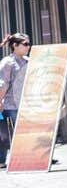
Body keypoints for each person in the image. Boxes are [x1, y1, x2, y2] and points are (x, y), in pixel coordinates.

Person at [0, 33, 30, 168]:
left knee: (25, 132)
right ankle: (2, 160)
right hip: (9, 104)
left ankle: (34, 158)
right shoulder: (8, 62)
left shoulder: (28, 61)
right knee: (6, 134)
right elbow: (3, 84)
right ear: (15, 45)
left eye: (28, 44)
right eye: (25, 44)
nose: (28, 47)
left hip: (25, 103)